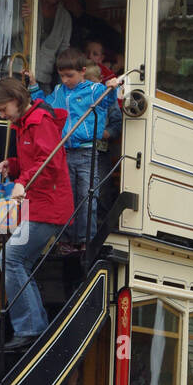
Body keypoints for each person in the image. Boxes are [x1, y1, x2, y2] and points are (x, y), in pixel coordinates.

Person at [0, 74, 75, 349]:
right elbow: (35, 158)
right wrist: (12, 165)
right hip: (39, 205)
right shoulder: (27, 123)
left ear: (15, 101)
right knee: (15, 260)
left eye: (3, 110)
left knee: (12, 258)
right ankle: (32, 325)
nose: (2, 116)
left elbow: (47, 162)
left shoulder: (39, 122)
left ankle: (31, 327)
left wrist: (22, 181)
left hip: (48, 206)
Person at [31, 48, 121, 252]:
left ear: (82, 72)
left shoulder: (93, 90)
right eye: (62, 76)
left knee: (87, 196)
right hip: (65, 153)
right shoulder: (59, 92)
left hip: (87, 153)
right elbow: (45, 106)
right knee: (67, 197)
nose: (65, 80)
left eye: (69, 76)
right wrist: (34, 87)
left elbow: (107, 100)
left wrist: (111, 86)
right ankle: (66, 240)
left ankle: (84, 241)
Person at [26, 0, 75, 91]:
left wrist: (64, 86)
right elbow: (5, 33)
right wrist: (22, 19)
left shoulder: (65, 17)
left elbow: (63, 53)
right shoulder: (26, 3)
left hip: (43, 79)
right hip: (17, 73)